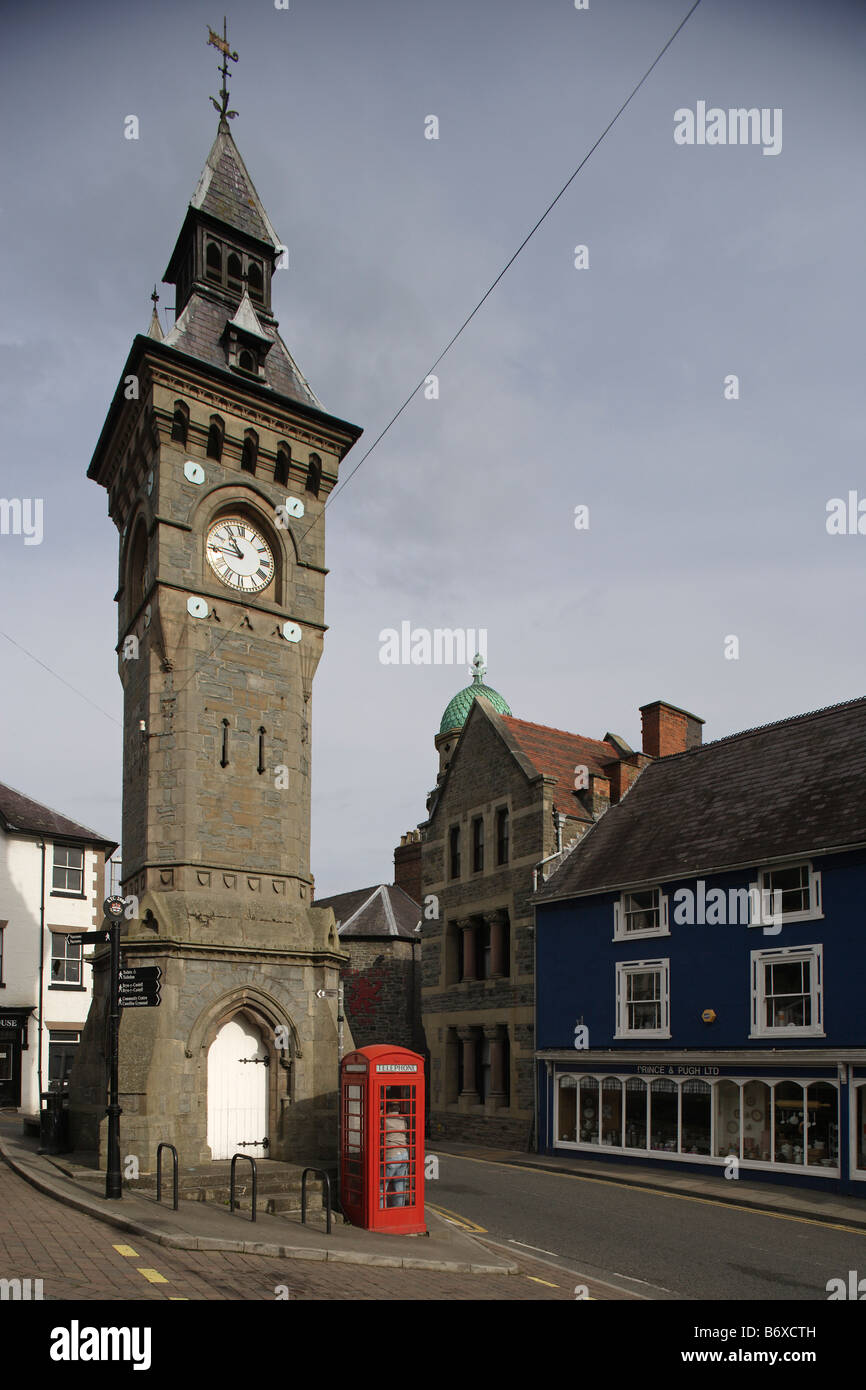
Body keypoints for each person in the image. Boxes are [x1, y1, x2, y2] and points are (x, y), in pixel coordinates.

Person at [381, 1099, 410, 1208]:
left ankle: (381, 1210)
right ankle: (398, 1210)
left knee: (381, 1187)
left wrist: (381, 1112)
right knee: (400, 1186)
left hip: (391, 1155)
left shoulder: (384, 1119)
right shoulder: (402, 1120)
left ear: (387, 1108)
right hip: (403, 1154)